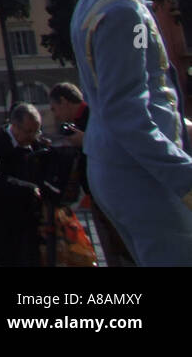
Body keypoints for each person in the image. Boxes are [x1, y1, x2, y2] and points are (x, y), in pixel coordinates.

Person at [70, 0, 192, 267]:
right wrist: (184, 175)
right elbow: (127, 112)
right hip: (142, 174)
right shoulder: (124, 12)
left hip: (117, 167)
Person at [47, 80, 133, 266]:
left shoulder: (95, 117)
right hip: (99, 195)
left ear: (64, 101)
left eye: (54, 108)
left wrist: (85, 141)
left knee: (120, 248)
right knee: (114, 248)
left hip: (111, 194)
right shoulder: (84, 120)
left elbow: (114, 146)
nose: (55, 115)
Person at [0, 103, 49, 266]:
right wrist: (29, 190)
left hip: (31, 227)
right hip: (4, 229)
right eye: (28, 131)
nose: (33, 136)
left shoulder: (37, 145)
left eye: (36, 131)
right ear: (15, 127)